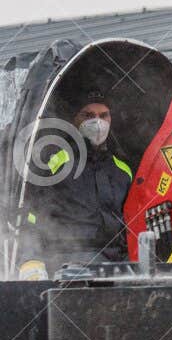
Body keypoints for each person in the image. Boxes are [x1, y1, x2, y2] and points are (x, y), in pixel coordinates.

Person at [16, 93, 132, 279]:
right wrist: (30, 259)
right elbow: (31, 214)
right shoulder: (54, 162)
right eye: (88, 115)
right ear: (74, 119)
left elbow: (134, 222)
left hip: (118, 264)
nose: (97, 122)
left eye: (103, 115)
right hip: (67, 261)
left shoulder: (123, 170)